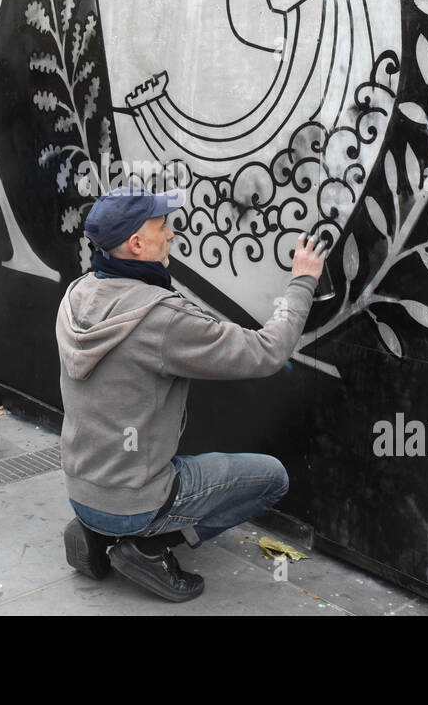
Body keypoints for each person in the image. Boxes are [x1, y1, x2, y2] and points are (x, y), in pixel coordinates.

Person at [55, 187, 327, 602]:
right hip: (135, 497)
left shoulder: (75, 295)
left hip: (79, 490)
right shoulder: (161, 318)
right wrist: (303, 281)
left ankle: (97, 531)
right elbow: (267, 352)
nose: (171, 234)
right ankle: (145, 547)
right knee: (271, 478)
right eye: (162, 226)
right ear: (136, 244)